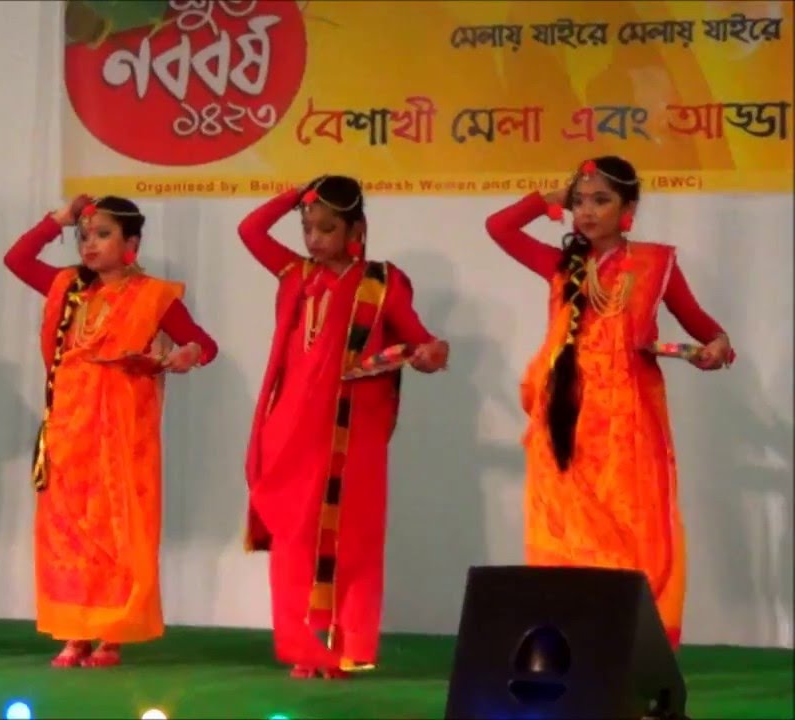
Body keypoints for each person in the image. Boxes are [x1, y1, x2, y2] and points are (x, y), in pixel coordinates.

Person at [484, 155, 735, 649]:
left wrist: (718, 347)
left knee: (631, 529)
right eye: (580, 201)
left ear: (629, 209)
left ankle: (630, 643)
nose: (587, 211)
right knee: (563, 531)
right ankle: (571, 640)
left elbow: (701, 325)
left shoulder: (655, 263)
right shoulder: (561, 266)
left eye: (601, 200)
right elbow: (499, 227)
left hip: (628, 424)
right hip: (565, 422)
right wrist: (547, 200)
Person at [239, 176, 450, 679]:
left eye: (326, 228)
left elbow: (420, 343)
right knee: (294, 539)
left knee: (349, 537)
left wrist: (429, 354)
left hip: (352, 432)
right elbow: (250, 230)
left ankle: (346, 645)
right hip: (290, 429)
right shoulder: (295, 274)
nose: (313, 239)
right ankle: (305, 647)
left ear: (357, 228)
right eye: (308, 228)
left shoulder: (381, 283)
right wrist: (295, 195)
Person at [4, 194, 219, 668]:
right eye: (83, 236)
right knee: (68, 533)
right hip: (68, 430)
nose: (89, 245)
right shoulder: (66, 288)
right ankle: (75, 632)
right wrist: (56, 219)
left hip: (123, 433)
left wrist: (184, 356)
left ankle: (112, 635)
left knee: (117, 531)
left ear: (131, 243)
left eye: (102, 235)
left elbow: (203, 343)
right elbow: (17, 259)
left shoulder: (153, 295)